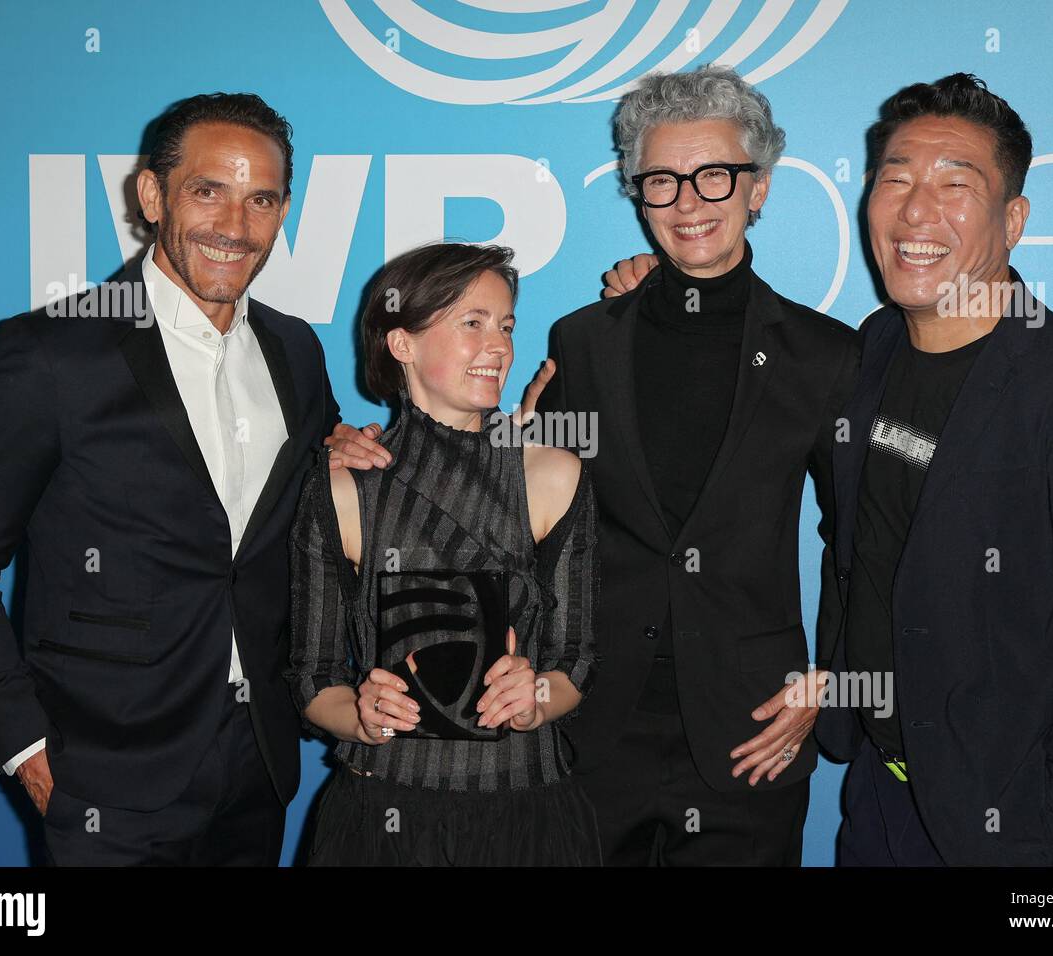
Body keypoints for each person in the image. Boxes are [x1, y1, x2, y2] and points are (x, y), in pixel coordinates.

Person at [609, 74, 1053, 866]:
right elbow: (857, 548)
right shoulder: (866, 351)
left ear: (1013, 219)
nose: (916, 211)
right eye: (896, 180)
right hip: (875, 797)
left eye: (954, 185)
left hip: (1012, 826)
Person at [328, 66, 858, 866]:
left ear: (760, 189)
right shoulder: (585, 340)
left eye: (714, 176)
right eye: (661, 181)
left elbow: (867, 537)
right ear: (635, 192)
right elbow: (501, 496)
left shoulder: (825, 356)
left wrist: (834, 681)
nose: (687, 202)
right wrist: (351, 446)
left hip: (750, 728)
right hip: (586, 722)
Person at [0, 92, 338, 865]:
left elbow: (317, 514)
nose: (235, 227)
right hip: (102, 773)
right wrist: (20, 744)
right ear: (152, 195)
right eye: (207, 190)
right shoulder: (50, 354)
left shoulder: (296, 352)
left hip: (260, 759)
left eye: (262, 199)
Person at [288, 242, 601, 866]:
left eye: (506, 325)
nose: (501, 346)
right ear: (400, 343)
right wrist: (359, 714)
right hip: (382, 822)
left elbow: (577, 659)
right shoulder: (342, 485)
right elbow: (311, 674)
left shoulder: (554, 473)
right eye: (473, 323)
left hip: (528, 816)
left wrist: (535, 695)